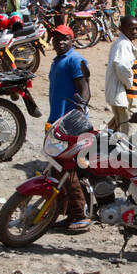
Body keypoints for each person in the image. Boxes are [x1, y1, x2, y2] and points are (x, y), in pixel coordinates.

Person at [47, 25, 93, 233]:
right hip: (57, 123)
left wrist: (78, 116)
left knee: (67, 170)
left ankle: (80, 215)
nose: (60, 42)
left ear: (72, 40)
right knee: (59, 170)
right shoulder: (57, 62)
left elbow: (85, 90)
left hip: (70, 126)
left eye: (64, 38)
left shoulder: (75, 60)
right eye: (56, 38)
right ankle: (68, 213)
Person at [105, 15, 137, 133]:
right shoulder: (124, 44)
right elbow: (122, 66)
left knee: (117, 123)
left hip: (121, 93)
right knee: (129, 129)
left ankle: (98, 143)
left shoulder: (121, 43)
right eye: (131, 28)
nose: (134, 31)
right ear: (122, 28)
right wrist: (129, 83)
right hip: (126, 94)